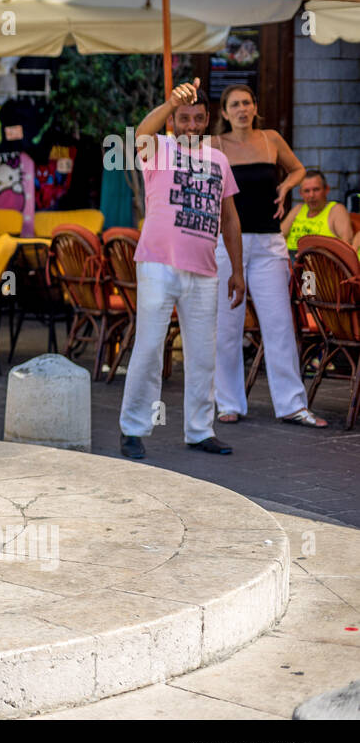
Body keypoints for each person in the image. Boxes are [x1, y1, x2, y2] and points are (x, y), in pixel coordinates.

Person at [119, 78, 246, 459]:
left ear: (208, 121)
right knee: (149, 347)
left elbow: (230, 219)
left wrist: (237, 271)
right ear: (174, 121)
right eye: (183, 118)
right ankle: (133, 429)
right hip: (158, 264)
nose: (191, 125)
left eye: (198, 119)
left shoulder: (219, 160)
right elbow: (140, 131)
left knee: (203, 353)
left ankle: (199, 430)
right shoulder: (158, 149)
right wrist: (170, 101)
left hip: (205, 270)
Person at [211, 84, 326, 427]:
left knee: (279, 325)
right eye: (235, 104)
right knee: (227, 326)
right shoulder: (214, 145)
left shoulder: (271, 139)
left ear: (255, 106)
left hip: (269, 243)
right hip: (227, 243)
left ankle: (293, 405)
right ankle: (227, 402)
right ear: (224, 112)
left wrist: (286, 187)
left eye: (247, 102)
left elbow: (298, 169)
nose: (242, 109)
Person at [282, 169, 354, 256]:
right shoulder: (298, 209)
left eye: (316, 189)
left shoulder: (335, 210)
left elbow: (347, 243)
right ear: (301, 193)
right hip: (291, 260)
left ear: (326, 189)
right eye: (307, 191)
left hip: (319, 263)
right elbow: (279, 234)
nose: (311, 195)